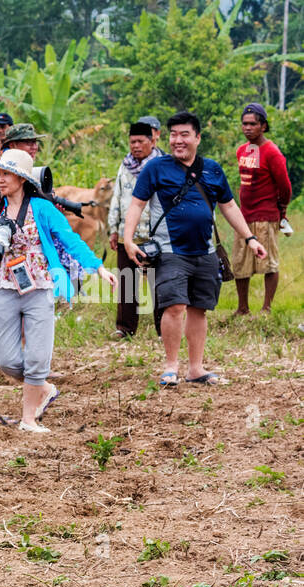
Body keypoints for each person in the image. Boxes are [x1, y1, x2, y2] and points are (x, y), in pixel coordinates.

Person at [123, 111, 266, 387]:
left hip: (205, 252)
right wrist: (128, 240)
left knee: (199, 308)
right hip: (169, 251)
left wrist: (250, 238)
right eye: (173, 134)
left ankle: (196, 368)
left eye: (184, 134)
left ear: (197, 138)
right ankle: (170, 366)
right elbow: (137, 204)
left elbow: (228, 206)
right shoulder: (156, 168)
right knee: (175, 305)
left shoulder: (212, 169)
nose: (178, 140)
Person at [0, 149, 115, 433]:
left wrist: (97, 267)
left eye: (6, 174)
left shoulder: (43, 209)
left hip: (39, 286)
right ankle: (43, 388)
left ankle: (29, 419)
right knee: (4, 359)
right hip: (4, 286)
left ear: (21, 178)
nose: (0, 180)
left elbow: (70, 240)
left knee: (38, 356)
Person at [233, 102, 291, 316]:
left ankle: (266, 308)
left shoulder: (272, 153)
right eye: (244, 124)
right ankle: (242, 308)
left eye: (253, 124)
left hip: (266, 216)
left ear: (263, 126)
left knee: (269, 264)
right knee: (240, 262)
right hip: (244, 216)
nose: (247, 128)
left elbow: (285, 186)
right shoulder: (241, 151)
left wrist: (281, 209)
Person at [106, 121, 163, 339]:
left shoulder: (161, 164)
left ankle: (162, 329)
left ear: (152, 141)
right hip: (126, 234)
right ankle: (125, 328)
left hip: (154, 234)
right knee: (126, 281)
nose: (136, 146)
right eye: (132, 142)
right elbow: (117, 197)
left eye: (141, 141)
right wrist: (114, 228)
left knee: (158, 283)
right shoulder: (125, 165)